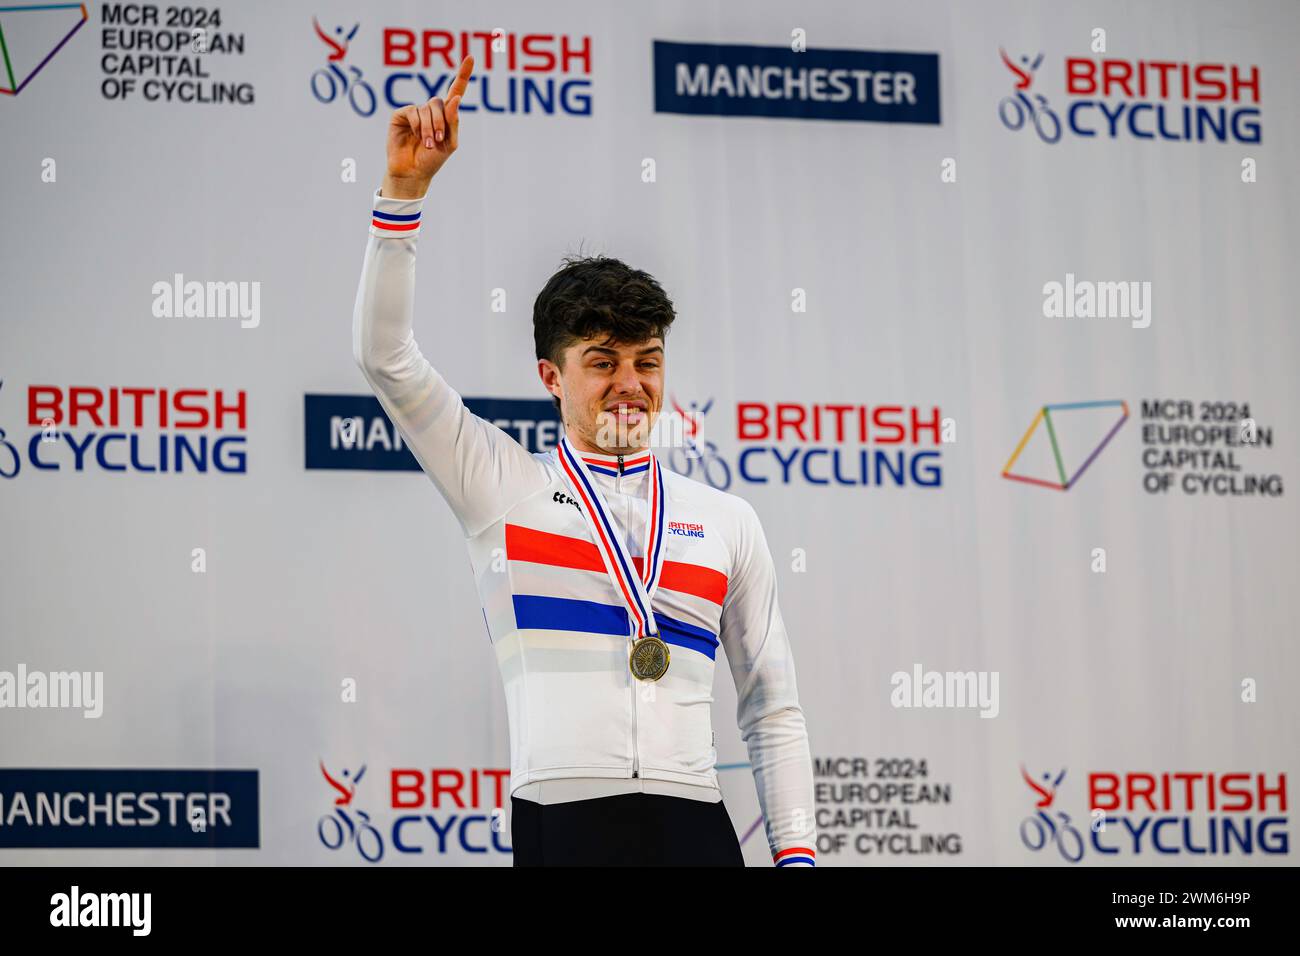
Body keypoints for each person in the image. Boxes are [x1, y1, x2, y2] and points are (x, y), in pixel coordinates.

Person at [352, 55, 816, 867]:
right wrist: (404, 195)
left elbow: (773, 710)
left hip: (697, 829)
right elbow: (385, 357)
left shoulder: (725, 521)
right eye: (602, 361)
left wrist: (799, 857)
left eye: (647, 359)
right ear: (552, 376)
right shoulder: (500, 485)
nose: (629, 384)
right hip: (565, 826)